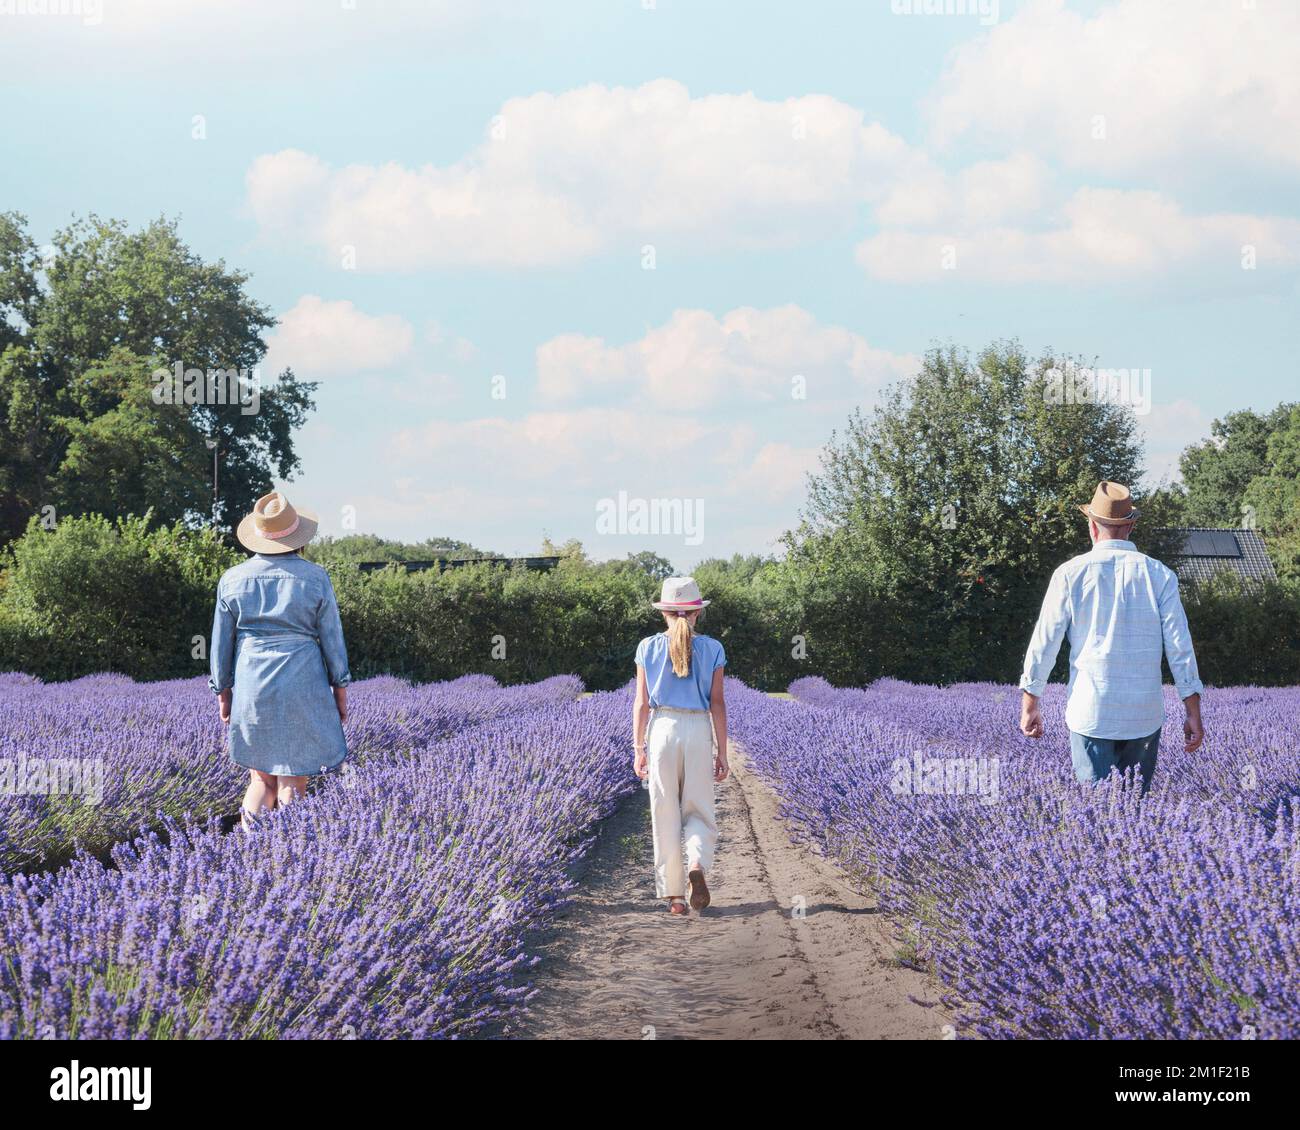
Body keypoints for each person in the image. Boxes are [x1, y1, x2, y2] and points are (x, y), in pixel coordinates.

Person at [1019, 480, 1204, 793]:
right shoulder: (1159, 574)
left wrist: (1030, 704)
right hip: (1143, 716)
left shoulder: (1069, 573)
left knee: (1096, 818)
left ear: (1092, 526)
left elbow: (1044, 642)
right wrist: (1192, 712)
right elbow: (1180, 648)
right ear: (1130, 525)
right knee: (1135, 816)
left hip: (1090, 712)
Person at [209, 491, 351, 829]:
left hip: (253, 685)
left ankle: (248, 854)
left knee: (261, 780)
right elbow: (332, 639)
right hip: (304, 683)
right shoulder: (315, 578)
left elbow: (219, 645)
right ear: (297, 536)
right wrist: (340, 690)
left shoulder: (232, 579)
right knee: (293, 783)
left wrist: (223, 693)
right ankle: (291, 858)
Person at [632, 577, 729, 915]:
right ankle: (698, 867)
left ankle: (674, 897)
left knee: (665, 811)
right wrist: (722, 752)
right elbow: (717, 703)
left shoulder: (647, 647)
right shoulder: (713, 648)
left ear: (665, 614)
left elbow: (642, 704)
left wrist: (638, 749)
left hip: (662, 729)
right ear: (696, 614)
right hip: (698, 727)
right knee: (699, 807)